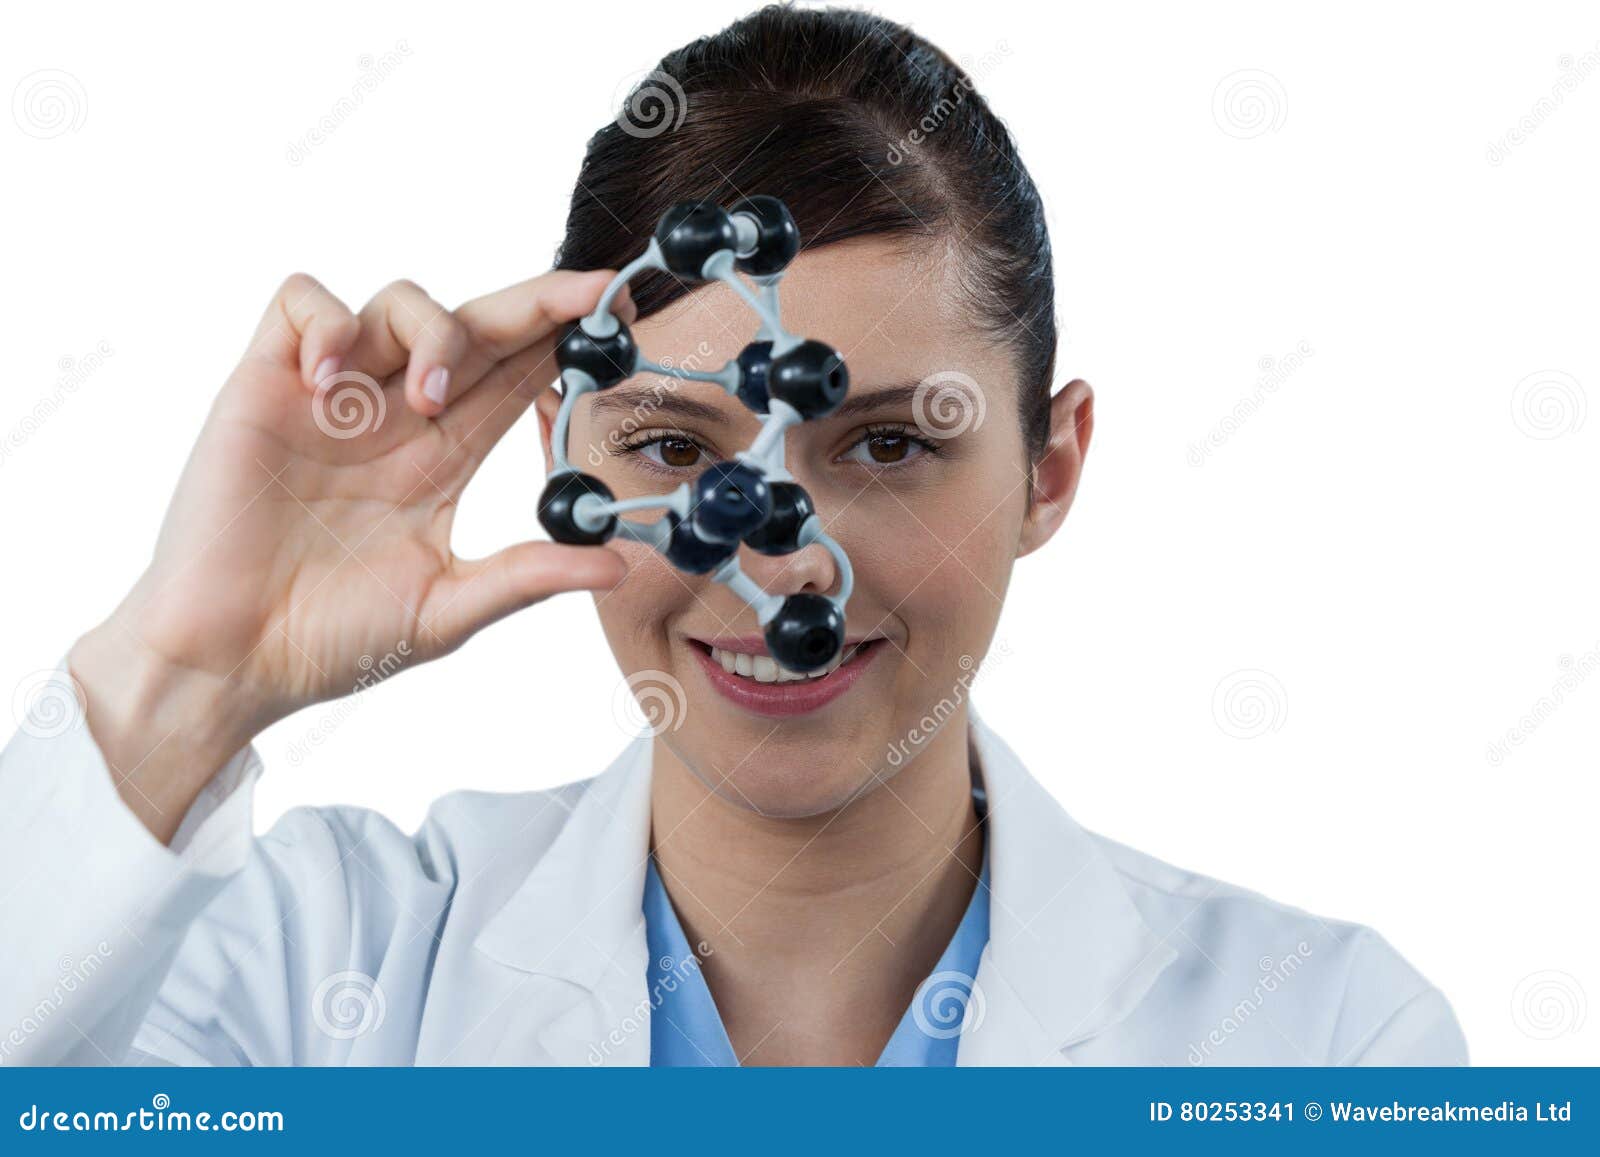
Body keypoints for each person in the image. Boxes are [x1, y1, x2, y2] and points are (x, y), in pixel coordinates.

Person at [0, 5, 1466, 1067]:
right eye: (672, 447)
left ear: (1049, 468)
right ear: (557, 452)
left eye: (887, 444)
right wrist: (185, 676)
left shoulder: (1325, 1043)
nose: (780, 562)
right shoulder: (311, 976)